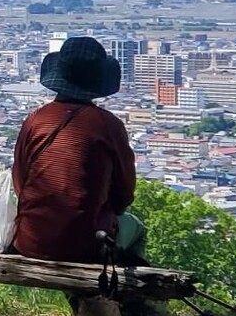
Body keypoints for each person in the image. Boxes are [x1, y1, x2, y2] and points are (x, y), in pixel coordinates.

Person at [10, 36, 145, 266]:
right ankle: (126, 298)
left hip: (31, 241)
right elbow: (124, 194)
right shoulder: (108, 125)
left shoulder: (36, 120)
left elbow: (20, 183)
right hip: (88, 246)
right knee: (138, 230)